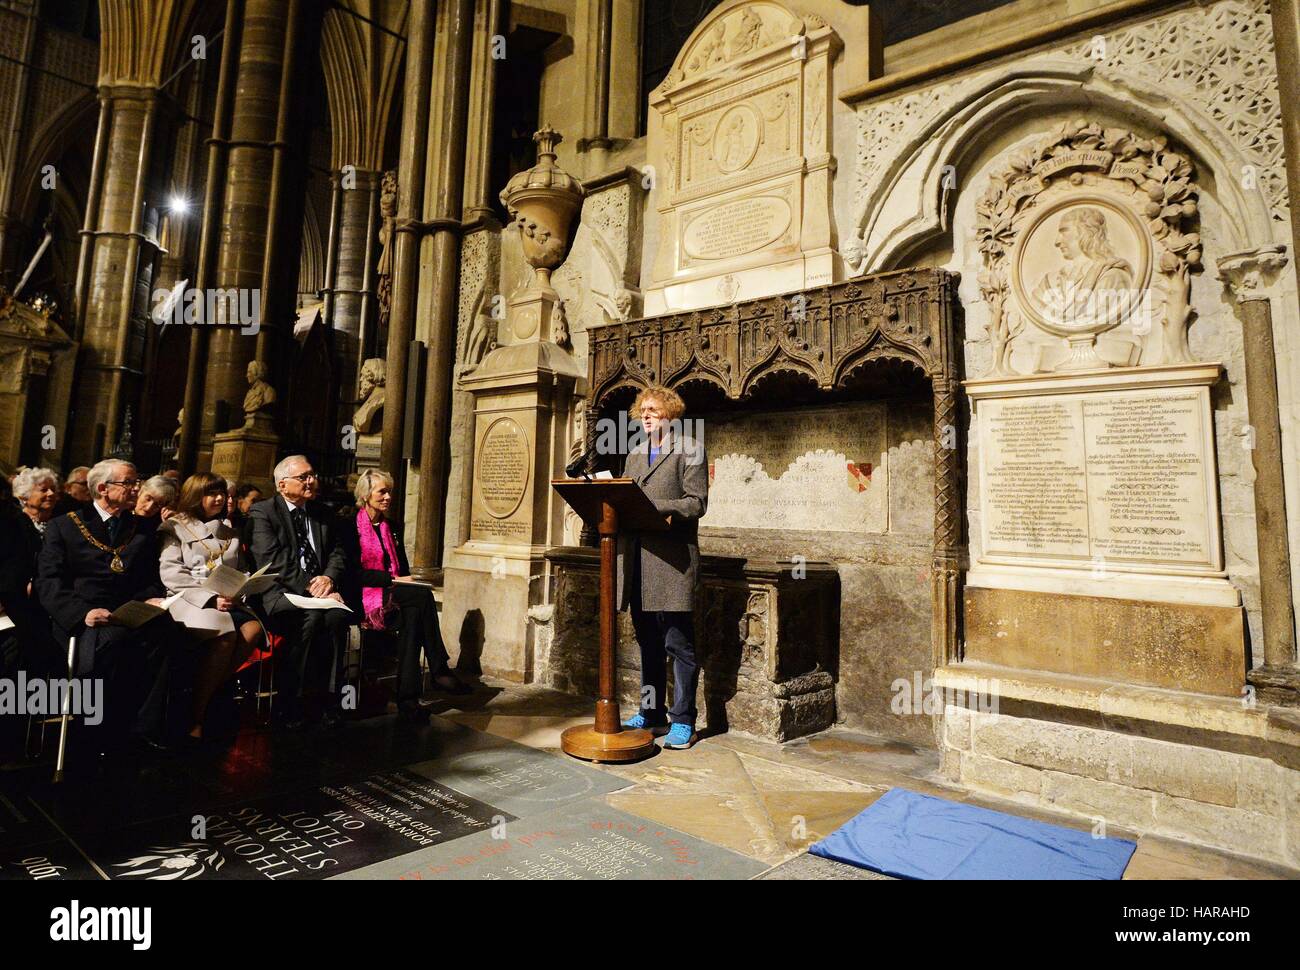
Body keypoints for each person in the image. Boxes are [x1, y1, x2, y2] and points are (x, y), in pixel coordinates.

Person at [34, 459, 185, 753]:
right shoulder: (64, 526)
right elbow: (48, 581)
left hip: (129, 610)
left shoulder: (142, 527)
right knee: (111, 644)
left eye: (136, 482)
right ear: (103, 488)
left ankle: (144, 728)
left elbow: (150, 578)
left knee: (167, 632)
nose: (136, 489)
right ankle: (97, 732)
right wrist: (82, 613)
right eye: (129, 483)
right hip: (84, 615)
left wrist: (150, 598)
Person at [617, 385, 709, 750]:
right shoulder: (635, 454)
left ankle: (683, 720)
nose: (646, 415)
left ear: (670, 414)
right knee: (648, 643)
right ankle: (652, 712)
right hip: (638, 561)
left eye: (653, 409)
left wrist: (656, 507)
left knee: (678, 644)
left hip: (672, 563)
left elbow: (696, 503)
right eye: (642, 410)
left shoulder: (690, 449)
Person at [341, 470, 469, 723]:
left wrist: (402, 580)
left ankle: (409, 700)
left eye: (390, 492)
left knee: (413, 617)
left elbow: (403, 569)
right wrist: (390, 580)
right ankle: (438, 669)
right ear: (366, 495)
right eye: (382, 492)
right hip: (364, 597)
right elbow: (351, 574)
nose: (388, 497)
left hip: (395, 597)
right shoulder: (349, 527)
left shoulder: (392, 528)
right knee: (421, 598)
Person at [159, 472, 266, 743]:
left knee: (253, 630)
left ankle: (206, 690)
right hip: (189, 598)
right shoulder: (175, 527)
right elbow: (172, 573)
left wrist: (239, 590)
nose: (220, 499)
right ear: (196, 496)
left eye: (222, 493)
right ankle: (197, 714)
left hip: (227, 599)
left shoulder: (230, 530)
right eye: (211, 493)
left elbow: (240, 569)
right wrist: (208, 598)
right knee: (225, 636)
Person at [246, 455, 350, 729]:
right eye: (303, 477)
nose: (311, 481)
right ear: (282, 484)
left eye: (312, 475)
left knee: (336, 618)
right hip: (279, 593)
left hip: (319, 591)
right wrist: (312, 587)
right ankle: (290, 702)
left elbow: (337, 552)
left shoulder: (322, 512)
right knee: (310, 618)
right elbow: (272, 560)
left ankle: (329, 700)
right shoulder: (263, 512)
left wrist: (328, 578)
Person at [14, 466, 61, 534]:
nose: (51, 493)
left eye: (53, 489)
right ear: (25, 496)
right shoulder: (14, 522)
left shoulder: (62, 522)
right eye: (44, 490)